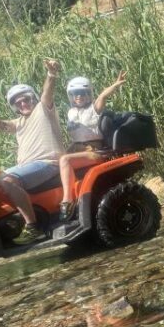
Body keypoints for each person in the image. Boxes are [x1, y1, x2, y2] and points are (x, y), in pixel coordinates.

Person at [0, 59, 65, 244]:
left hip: (48, 163)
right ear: (14, 107)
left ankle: (32, 227)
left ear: (33, 98)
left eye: (26, 99)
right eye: (17, 102)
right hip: (28, 167)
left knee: (7, 179)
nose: (23, 104)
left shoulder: (43, 109)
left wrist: (51, 74)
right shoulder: (18, 123)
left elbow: (47, 92)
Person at [57, 71, 127, 221]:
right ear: (71, 96)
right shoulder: (70, 113)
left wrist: (115, 84)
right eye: (75, 94)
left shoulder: (94, 109)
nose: (79, 96)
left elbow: (103, 96)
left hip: (94, 151)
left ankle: (67, 201)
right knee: (56, 159)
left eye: (82, 93)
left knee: (65, 160)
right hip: (77, 148)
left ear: (88, 94)